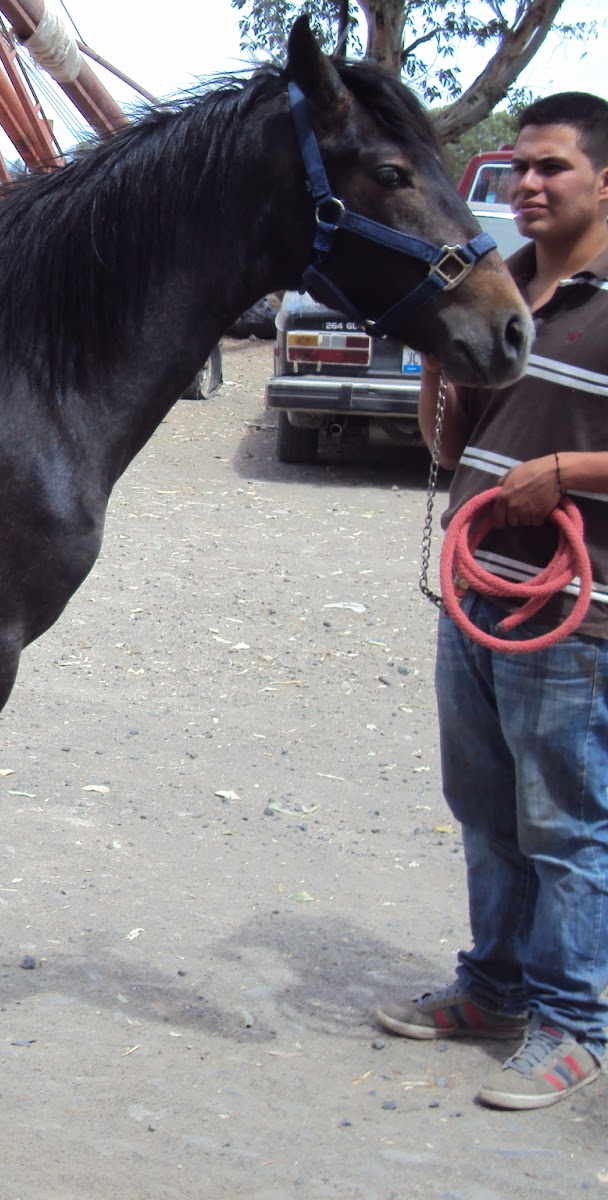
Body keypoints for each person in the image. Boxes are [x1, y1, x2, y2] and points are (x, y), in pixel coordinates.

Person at [375, 91, 608, 1110]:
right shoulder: (501, 285)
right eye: (519, 166)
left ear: (605, 180)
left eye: (552, 167)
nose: (526, 184)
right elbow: (452, 443)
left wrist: (569, 468)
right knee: (482, 808)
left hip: (575, 614)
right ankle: (491, 990)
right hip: (474, 596)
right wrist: (436, 374)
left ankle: (575, 1024)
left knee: (564, 822)